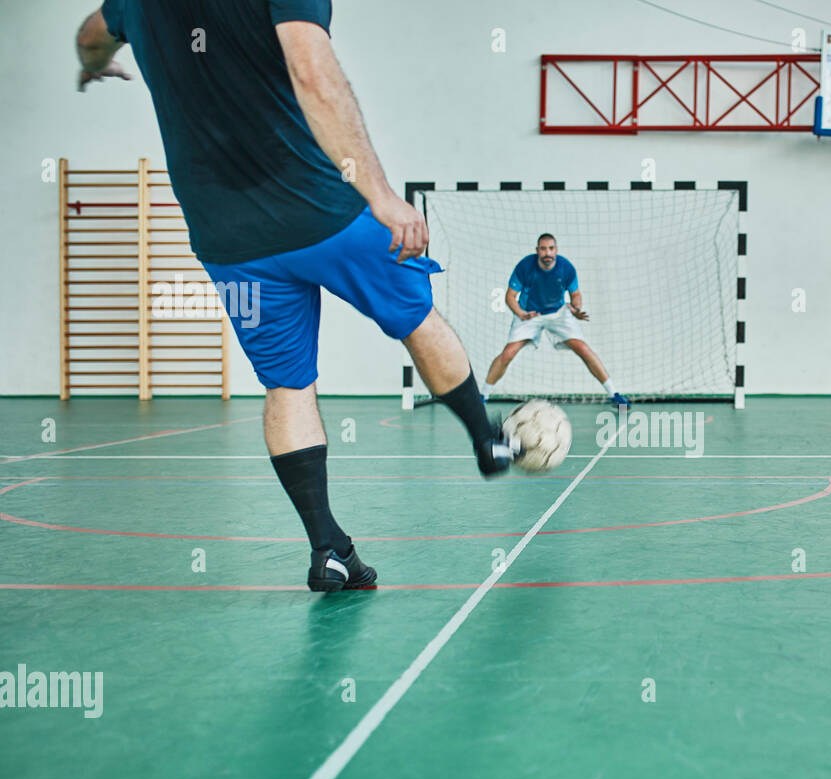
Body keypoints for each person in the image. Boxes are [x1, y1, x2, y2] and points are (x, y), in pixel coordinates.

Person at [76, 0, 518, 592]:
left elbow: (89, 36)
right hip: (322, 210)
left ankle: (328, 551)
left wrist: (93, 64)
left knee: (287, 384)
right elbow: (313, 73)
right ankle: (486, 440)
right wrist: (381, 194)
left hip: (228, 238)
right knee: (416, 316)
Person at [483, 234, 630, 407]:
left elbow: (575, 294)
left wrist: (575, 309)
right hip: (529, 314)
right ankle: (482, 396)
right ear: (537, 251)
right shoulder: (525, 267)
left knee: (583, 348)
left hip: (558, 313)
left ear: (556, 250)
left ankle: (614, 395)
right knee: (508, 353)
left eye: (551, 248)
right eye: (543, 249)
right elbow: (510, 297)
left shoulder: (566, 268)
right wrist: (521, 313)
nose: (547, 253)